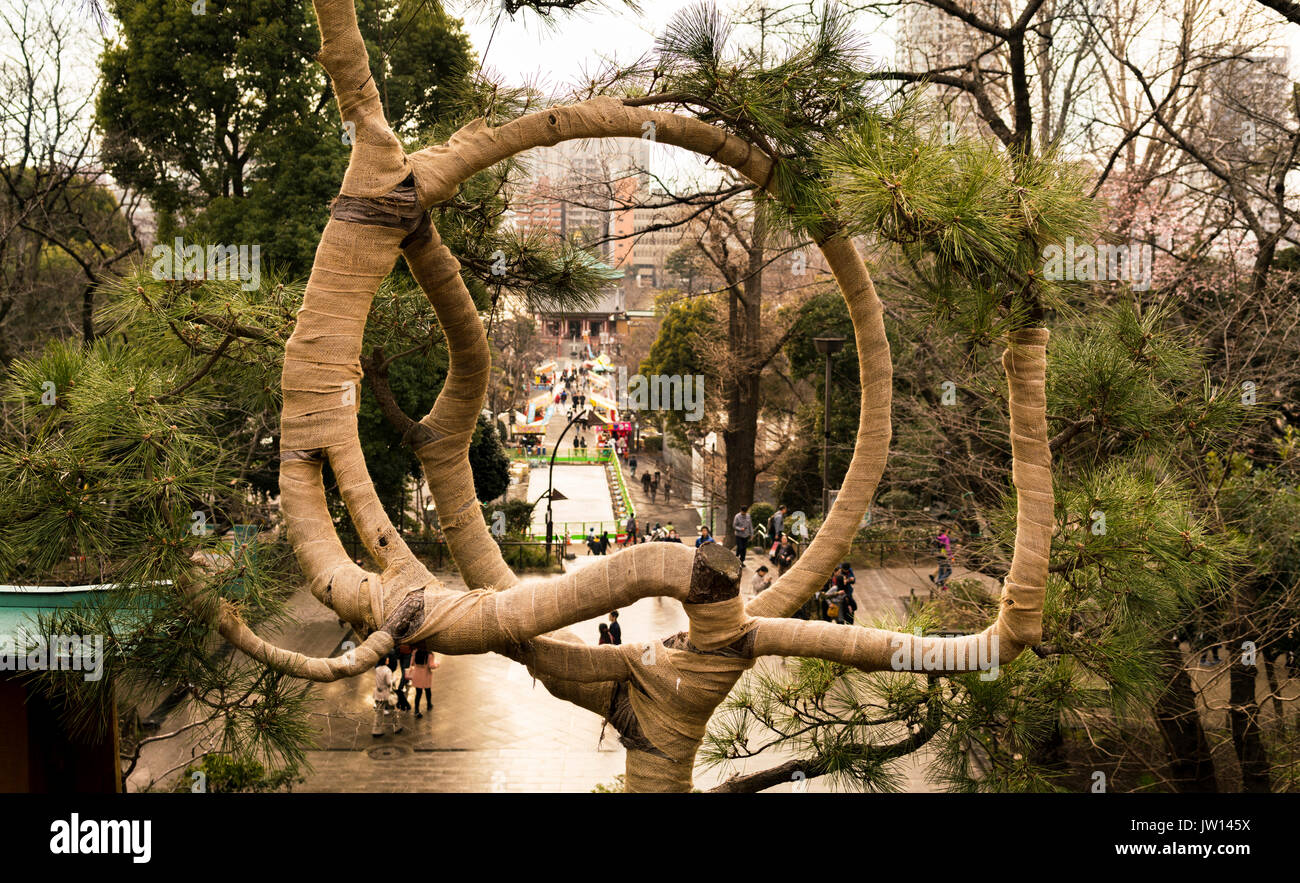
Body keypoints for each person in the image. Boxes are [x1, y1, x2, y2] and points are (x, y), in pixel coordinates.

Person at [371, 655, 403, 737]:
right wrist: (394, 679)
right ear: (385, 661)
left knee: (378, 712)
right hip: (385, 694)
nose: (388, 660)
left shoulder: (377, 669)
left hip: (378, 693)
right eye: (387, 659)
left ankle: (376, 730)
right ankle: (397, 727)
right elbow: (389, 683)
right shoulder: (387, 670)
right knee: (393, 711)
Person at [408, 648, 439, 719]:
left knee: (418, 693)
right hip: (426, 675)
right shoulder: (430, 654)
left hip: (417, 675)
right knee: (428, 690)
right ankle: (429, 704)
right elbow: (431, 666)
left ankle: (416, 710)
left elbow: (412, 663)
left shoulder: (415, 652)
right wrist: (437, 664)